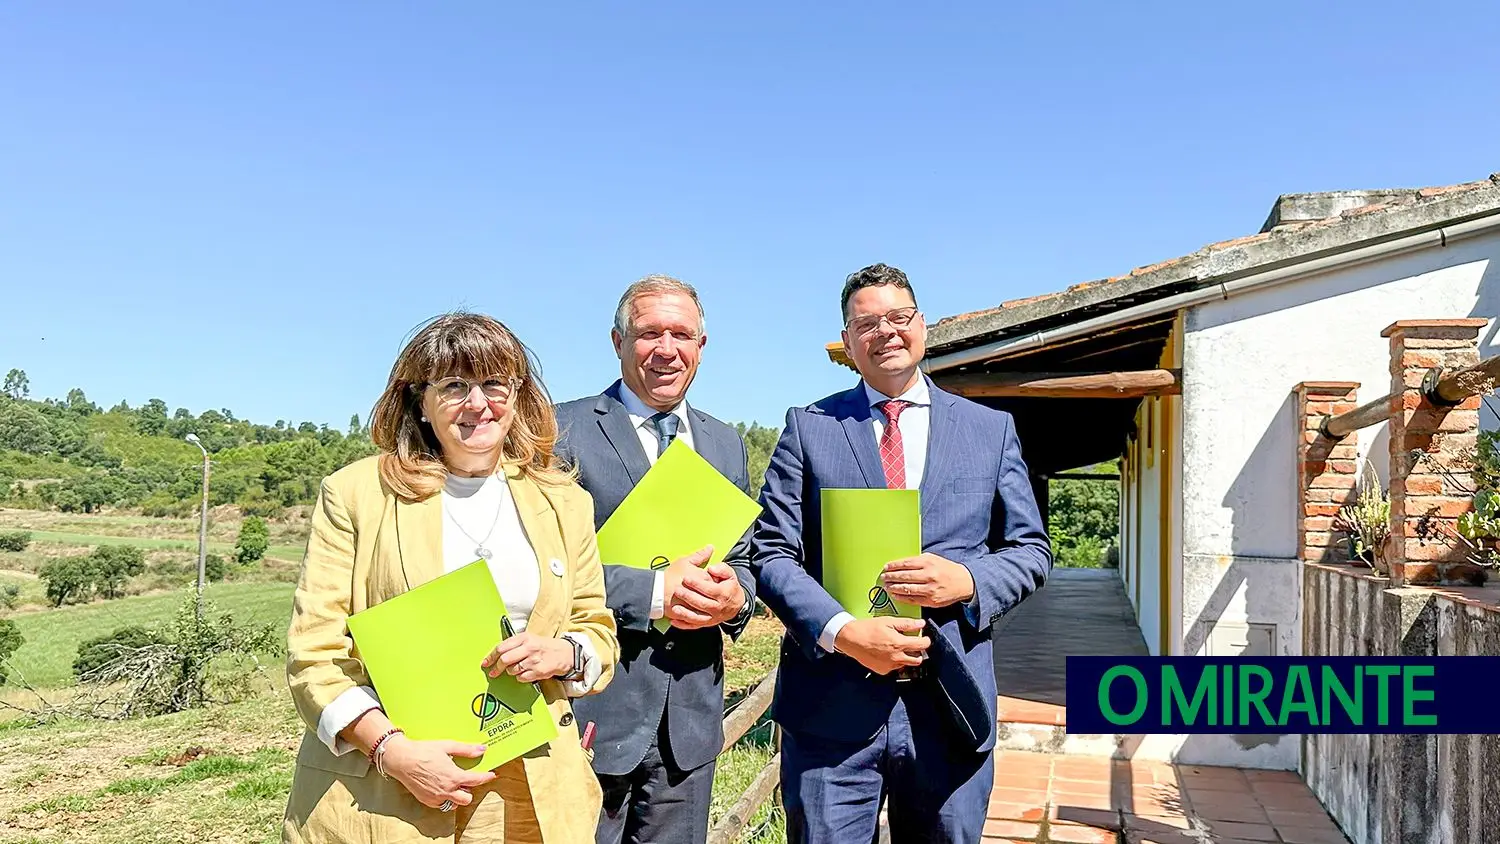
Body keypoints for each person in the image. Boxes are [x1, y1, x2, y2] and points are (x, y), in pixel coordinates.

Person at [282, 311, 619, 844]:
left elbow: (596, 627)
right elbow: (315, 657)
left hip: (532, 784)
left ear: (519, 395)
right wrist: (392, 751)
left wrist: (567, 654)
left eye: (494, 384)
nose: (478, 403)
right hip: (393, 784)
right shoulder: (355, 495)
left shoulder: (564, 500)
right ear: (419, 400)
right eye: (455, 386)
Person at [749, 263, 1053, 843]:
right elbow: (770, 552)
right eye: (866, 323)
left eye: (898, 316)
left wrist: (966, 579)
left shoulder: (990, 430)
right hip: (832, 708)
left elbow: (1031, 550)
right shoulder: (809, 427)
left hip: (950, 705)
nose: (885, 331)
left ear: (922, 325)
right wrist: (842, 631)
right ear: (847, 340)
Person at [554, 275, 757, 844]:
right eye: (649, 333)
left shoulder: (724, 442)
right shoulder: (559, 430)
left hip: (690, 718)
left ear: (701, 344)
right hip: (593, 705)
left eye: (681, 334)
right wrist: (651, 593)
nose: (666, 349)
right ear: (617, 342)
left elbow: (743, 555)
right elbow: (540, 567)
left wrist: (737, 595)